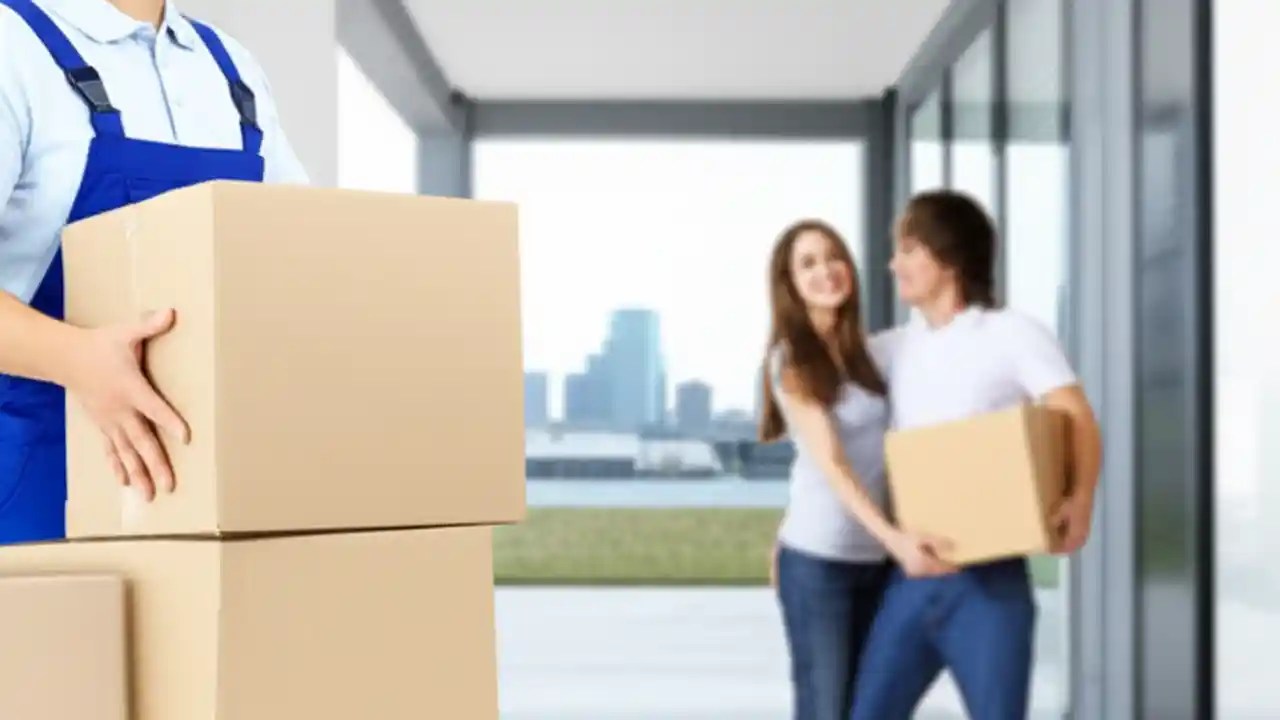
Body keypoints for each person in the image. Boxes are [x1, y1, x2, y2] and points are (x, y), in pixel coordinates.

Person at [0, 0, 308, 543]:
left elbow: (301, 253)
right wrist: (74, 358)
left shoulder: (229, 66)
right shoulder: (12, 45)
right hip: (36, 488)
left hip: (209, 487)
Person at [849, 190, 1103, 720]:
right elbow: (820, 384)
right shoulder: (896, 348)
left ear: (949, 255)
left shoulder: (1010, 333)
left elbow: (1077, 416)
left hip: (989, 584)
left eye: (909, 249)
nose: (894, 263)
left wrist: (1079, 501)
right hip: (912, 579)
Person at [759, 219, 953, 720]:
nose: (826, 270)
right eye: (808, 263)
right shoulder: (792, 361)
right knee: (827, 709)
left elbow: (942, 328)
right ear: (791, 285)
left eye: (833, 256)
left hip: (877, 562)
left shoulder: (877, 354)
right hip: (820, 562)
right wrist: (896, 541)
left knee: (871, 708)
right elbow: (833, 466)